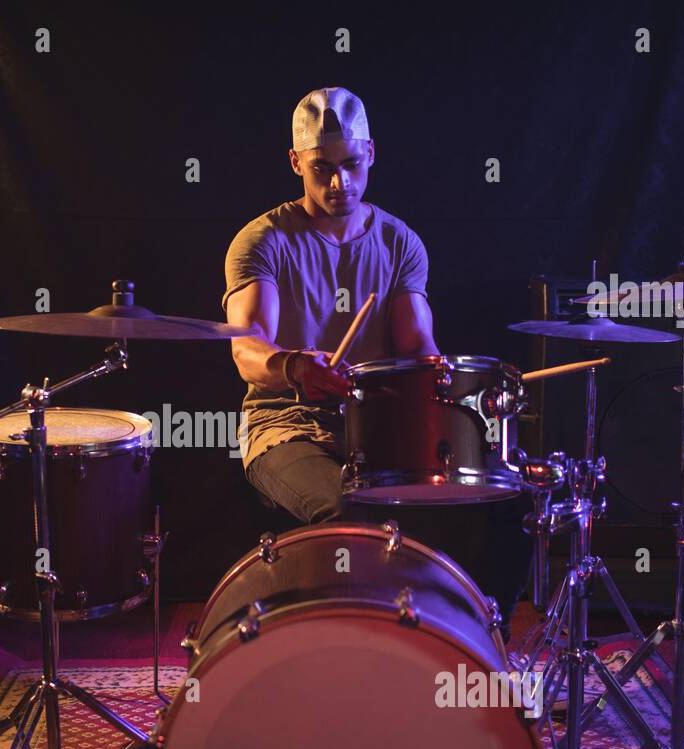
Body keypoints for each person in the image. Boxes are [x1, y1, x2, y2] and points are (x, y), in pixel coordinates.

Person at [222, 86, 529, 623]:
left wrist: (454, 388)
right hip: (284, 425)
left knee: (504, 502)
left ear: (372, 154)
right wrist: (293, 367)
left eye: (352, 165)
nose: (340, 183)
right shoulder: (263, 240)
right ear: (295, 162)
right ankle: (350, 652)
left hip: (380, 429)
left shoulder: (399, 242)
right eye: (322, 169)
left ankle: (473, 643)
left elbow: (418, 348)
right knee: (349, 509)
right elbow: (248, 349)